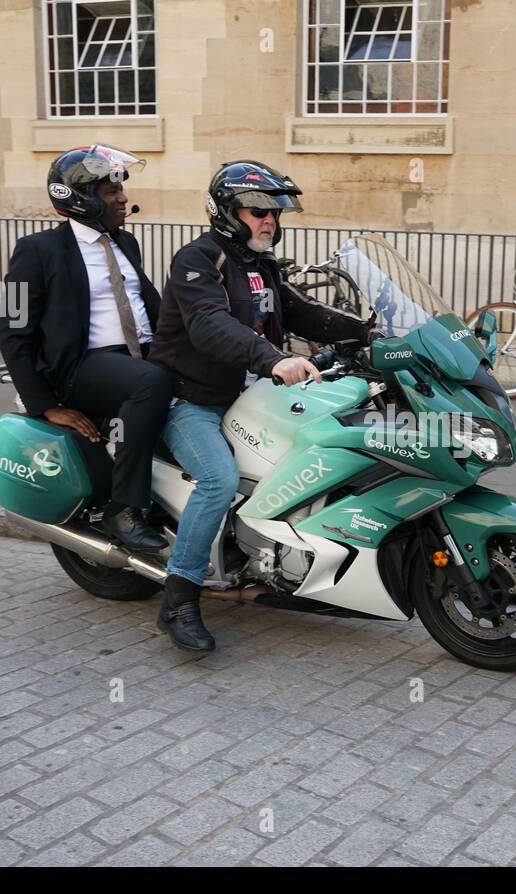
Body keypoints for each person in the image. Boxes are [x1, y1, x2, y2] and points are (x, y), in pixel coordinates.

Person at [149, 160, 370, 653]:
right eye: (258, 211)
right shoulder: (197, 260)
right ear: (228, 212)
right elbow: (209, 324)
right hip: (194, 401)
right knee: (218, 480)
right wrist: (273, 358)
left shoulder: (260, 265)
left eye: (275, 212)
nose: (270, 221)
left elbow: (302, 311)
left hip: (256, 399)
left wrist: (369, 332)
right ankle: (179, 598)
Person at [0, 144, 172, 550]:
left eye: (120, 190)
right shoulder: (37, 251)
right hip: (84, 366)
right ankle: (123, 508)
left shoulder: (126, 243)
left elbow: (151, 309)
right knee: (151, 382)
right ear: (81, 199)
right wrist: (45, 404)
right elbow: (13, 331)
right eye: (112, 192)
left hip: (139, 358)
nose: (123, 198)